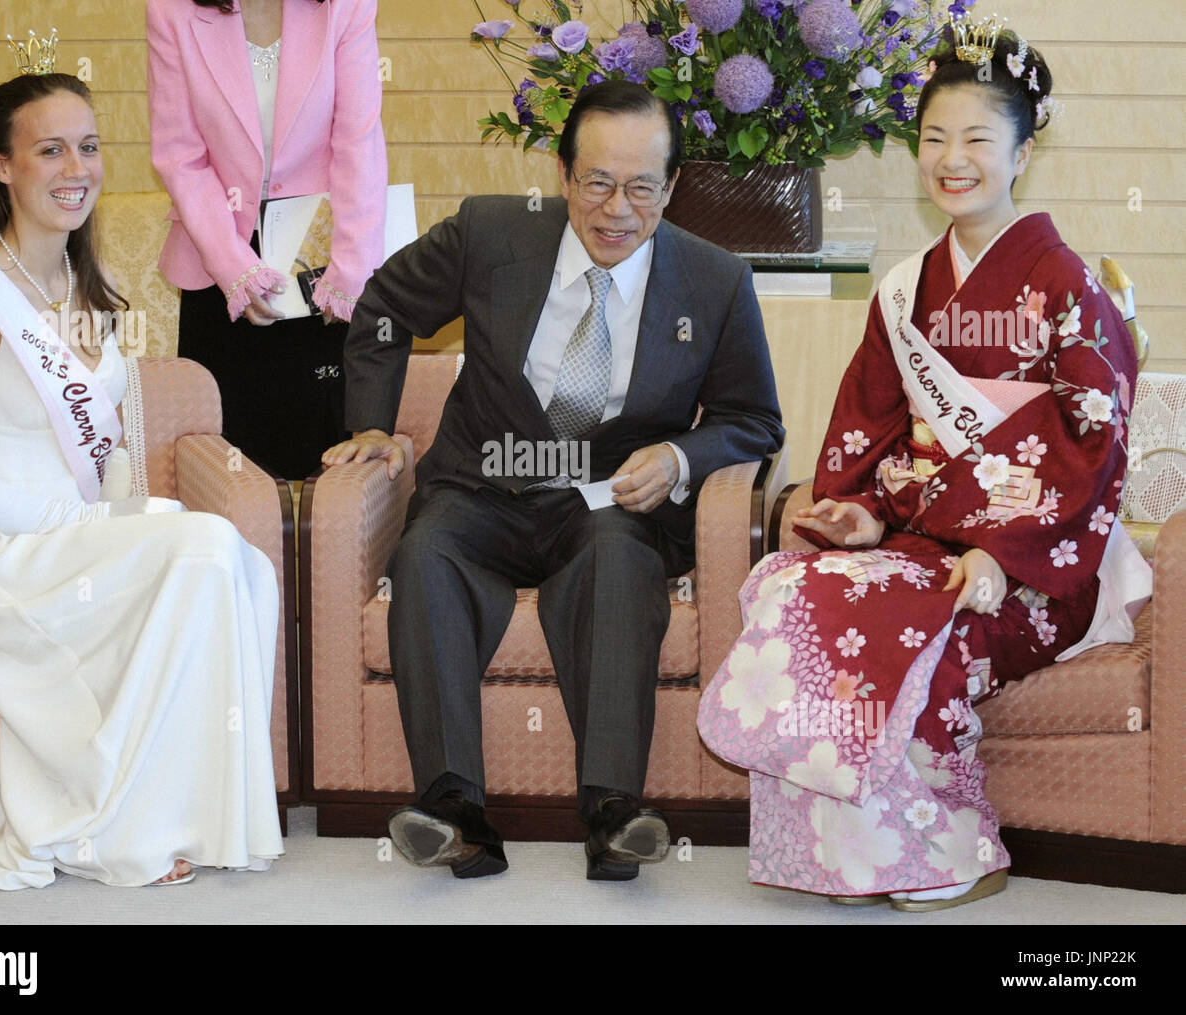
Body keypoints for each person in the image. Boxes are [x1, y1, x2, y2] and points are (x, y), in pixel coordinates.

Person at [697, 22, 1152, 911]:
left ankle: (956, 847)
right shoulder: (905, 290)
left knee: (922, 640)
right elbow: (867, 432)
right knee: (796, 588)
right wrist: (856, 514)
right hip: (923, 540)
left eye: (978, 138)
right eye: (935, 137)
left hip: (1036, 563)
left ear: (1024, 148)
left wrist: (1001, 550)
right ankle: (841, 856)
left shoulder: (1066, 286)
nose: (953, 158)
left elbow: (1089, 442)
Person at [324, 80, 784, 880]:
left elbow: (754, 420)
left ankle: (613, 814)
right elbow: (387, 306)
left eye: (642, 186)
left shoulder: (714, 281)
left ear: (672, 186)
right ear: (564, 175)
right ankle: (453, 811)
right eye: (598, 182)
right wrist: (371, 423)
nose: (617, 208)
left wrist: (679, 458)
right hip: (482, 487)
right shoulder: (491, 231)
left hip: (611, 505)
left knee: (616, 557)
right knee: (425, 554)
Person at [0, 65, 284, 889]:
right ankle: (99, 830)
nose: (76, 168)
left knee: (235, 563)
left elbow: (102, 447)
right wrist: (102, 528)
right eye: (50, 150)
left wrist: (120, 513)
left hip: (67, 536)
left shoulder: (80, 284)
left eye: (88, 146)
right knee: (196, 548)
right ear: (0, 166)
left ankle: (179, 812)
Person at [146, 0, 387, 480]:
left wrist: (350, 269)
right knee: (225, 476)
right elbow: (180, 155)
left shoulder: (346, 7)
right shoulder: (170, 11)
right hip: (218, 264)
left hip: (323, 267)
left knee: (326, 472)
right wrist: (234, 267)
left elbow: (357, 140)